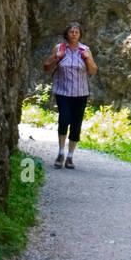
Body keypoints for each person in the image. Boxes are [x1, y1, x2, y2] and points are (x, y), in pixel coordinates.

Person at [43, 22, 98, 169]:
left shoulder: (85, 50)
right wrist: (56, 57)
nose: (74, 34)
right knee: (64, 118)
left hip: (80, 93)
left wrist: (87, 58)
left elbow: (93, 70)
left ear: (80, 35)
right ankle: (61, 152)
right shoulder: (59, 48)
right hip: (63, 91)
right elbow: (46, 67)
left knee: (76, 124)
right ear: (66, 34)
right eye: (71, 32)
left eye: (77, 32)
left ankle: (70, 157)